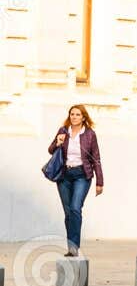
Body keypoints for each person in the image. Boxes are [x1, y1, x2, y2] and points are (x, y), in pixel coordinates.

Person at [47, 105, 104, 257]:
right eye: (72, 114)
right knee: (68, 213)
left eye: (78, 114)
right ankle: (71, 246)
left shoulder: (90, 134)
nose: (74, 117)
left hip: (82, 175)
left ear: (83, 117)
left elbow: (96, 158)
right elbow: (50, 150)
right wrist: (58, 142)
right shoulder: (63, 131)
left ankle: (74, 247)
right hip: (64, 175)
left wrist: (100, 181)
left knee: (75, 208)